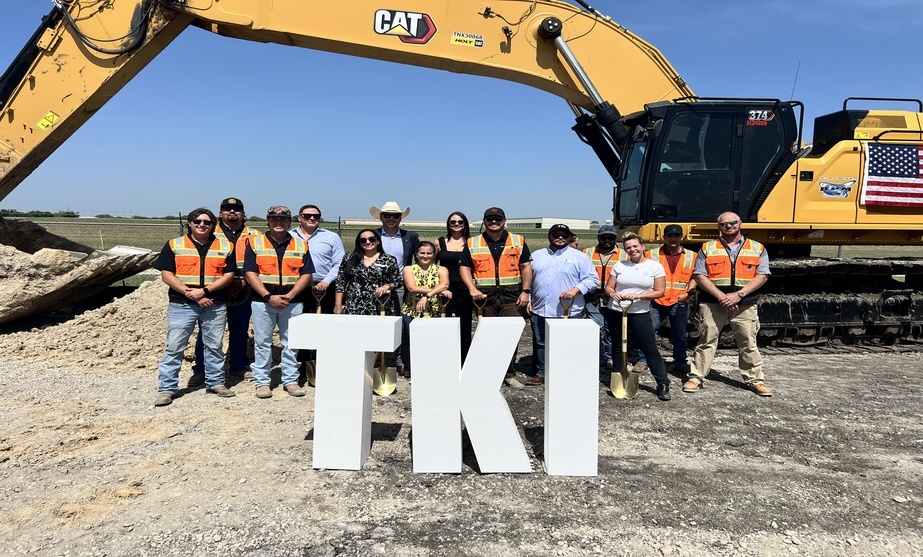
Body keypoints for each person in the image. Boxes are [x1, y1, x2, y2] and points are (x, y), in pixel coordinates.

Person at [152, 208, 237, 406]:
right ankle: (167, 389)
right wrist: (191, 293)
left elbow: (229, 275)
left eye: (207, 222)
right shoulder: (175, 245)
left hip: (214, 303)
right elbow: (167, 275)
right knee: (175, 347)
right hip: (182, 304)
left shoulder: (225, 246)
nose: (202, 225)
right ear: (189, 223)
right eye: (197, 221)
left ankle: (215, 383)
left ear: (213, 225)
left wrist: (204, 292)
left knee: (214, 345)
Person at [684, 212, 772, 396]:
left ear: (740, 224)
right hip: (713, 303)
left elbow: (762, 275)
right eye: (724, 224)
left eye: (733, 222)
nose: (729, 226)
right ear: (719, 226)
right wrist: (722, 296)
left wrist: (738, 295)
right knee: (706, 340)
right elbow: (699, 275)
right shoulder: (708, 247)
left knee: (748, 341)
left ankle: (755, 380)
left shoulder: (757, 247)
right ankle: (696, 377)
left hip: (744, 303)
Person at [243, 206, 314, 399]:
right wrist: (268, 296)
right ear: (268, 221)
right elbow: (250, 273)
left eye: (283, 219)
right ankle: (263, 382)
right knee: (263, 342)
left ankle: (290, 380)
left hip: (292, 302)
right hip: (263, 302)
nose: (279, 223)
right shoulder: (255, 243)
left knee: (291, 342)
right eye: (274, 219)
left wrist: (290, 296)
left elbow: (306, 274)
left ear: (290, 222)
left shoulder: (300, 245)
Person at [459, 207, 533, 389]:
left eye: (497, 219)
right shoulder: (472, 243)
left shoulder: (518, 241)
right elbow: (465, 268)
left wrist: (525, 291)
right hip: (485, 298)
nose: (494, 222)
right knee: (487, 337)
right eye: (490, 219)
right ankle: (488, 374)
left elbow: (525, 267)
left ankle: (509, 375)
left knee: (511, 335)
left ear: (504, 220)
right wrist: (471, 288)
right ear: (484, 221)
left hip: (512, 298)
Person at [189, 197, 256, 387]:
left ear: (243, 213)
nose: (232, 212)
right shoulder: (210, 231)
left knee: (239, 331)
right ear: (220, 213)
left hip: (244, 290)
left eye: (236, 209)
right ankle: (201, 369)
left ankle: (238, 366)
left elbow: (259, 263)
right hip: (214, 291)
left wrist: (243, 281)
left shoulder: (255, 235)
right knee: (207, 332)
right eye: (227, 209)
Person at [526, 224, 598, 385]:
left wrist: (575, 289)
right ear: (549, 236)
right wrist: (529, 298)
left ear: (569, 237)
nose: (560, 238)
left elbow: (593, 280)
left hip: (569, 310)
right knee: (541, 343)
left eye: (564, 235)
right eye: (556, 235)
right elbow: (529, 280)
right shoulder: (536, 256)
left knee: (568, 343)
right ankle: (542, 371)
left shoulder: (579, 257)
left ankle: (566, 372)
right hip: (540, 309)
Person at [603, 233, 671, 401]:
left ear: (643, 247)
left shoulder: (654, 267)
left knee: (649, 348)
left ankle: (663, 383)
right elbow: (608, 287)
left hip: (640, 313)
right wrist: (614, 294)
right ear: (625, 250)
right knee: (618, 346)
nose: (632, 249)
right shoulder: (620, 266)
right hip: (617, 310)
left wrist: (639, 296)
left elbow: (659, 291)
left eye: (635, 246)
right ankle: (621, 381)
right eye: (628, 247)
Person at [291, 204, 345, 376]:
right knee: (301, 326)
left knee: (325, 326)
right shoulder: (290, 236)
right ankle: (302, 363)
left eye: (316, 216)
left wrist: (326, 281)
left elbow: (339, 263)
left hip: (325, 287)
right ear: (299, 217)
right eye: (307, 216)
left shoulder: (331, 237)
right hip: (298, 288)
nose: (312, 219)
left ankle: (325, 362)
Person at [635, 224, 696, 374]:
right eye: (670, 236)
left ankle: (680, 361)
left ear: (681, 237)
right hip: (656, 300)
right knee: (649, 331)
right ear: (664, 238)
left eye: (676, 236)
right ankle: (644, 360)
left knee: (679, 334)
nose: (673, 239)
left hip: (679, 300)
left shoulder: (692, 256)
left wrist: (688, 293)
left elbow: (696, 276)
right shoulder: (651, 255)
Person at [371, 201, 419, 375]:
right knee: (375, 323)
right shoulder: (372, 235)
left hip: (400, 287)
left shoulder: (410, 236)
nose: (391, 219)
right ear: (381, 217)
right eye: (387, 215)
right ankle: (373, 361)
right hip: (374, 286)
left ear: (400, 218)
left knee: (402, 323)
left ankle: (400, 360)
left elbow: (420, 259)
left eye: (395, 216)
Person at [400, 241, 451, 377]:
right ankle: (410, 367)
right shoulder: (409, 269)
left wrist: (427, 296)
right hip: (412, 312)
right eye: (422, 253)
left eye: (429, 253)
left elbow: (445, 284)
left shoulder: (441, 269)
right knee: (410, 341)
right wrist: (437, 291)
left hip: (434, 312)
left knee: (431, 343)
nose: (425, 256)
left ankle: (429, 368)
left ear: (434, 255)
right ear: (416, 254)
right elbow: (412, 288)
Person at [583, 225, 624, 370]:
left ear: (615, 238)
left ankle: (609, 357)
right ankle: (597, 357)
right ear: (598, 238)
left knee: (611, 329)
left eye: (611, 238)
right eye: (604, 237)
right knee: (597, 328)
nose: (607, 240)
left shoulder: (624, 254)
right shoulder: (587, 252)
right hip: (592, 297)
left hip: (614, 297)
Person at [334, 229, 402, 316]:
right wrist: (338, 305)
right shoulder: (349, 258)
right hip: (353, 305)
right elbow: (340, 282)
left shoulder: (389, 260)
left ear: (378, 241)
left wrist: (387, 286)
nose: (367, 242)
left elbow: (397, 282)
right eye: (363, 240)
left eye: (372, 239)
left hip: (380, 306)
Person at [435, 211, 474, 362]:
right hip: (445, 289)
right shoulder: (439, 242)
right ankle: (445, 358)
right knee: (444, 323)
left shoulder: (471, 242)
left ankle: (463, 359)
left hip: (465, 290)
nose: (456, 225)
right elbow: (432, 265)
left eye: (460, 222)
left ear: (465, 224)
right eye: (453, 222)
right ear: (448, 224)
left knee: (464, 325)